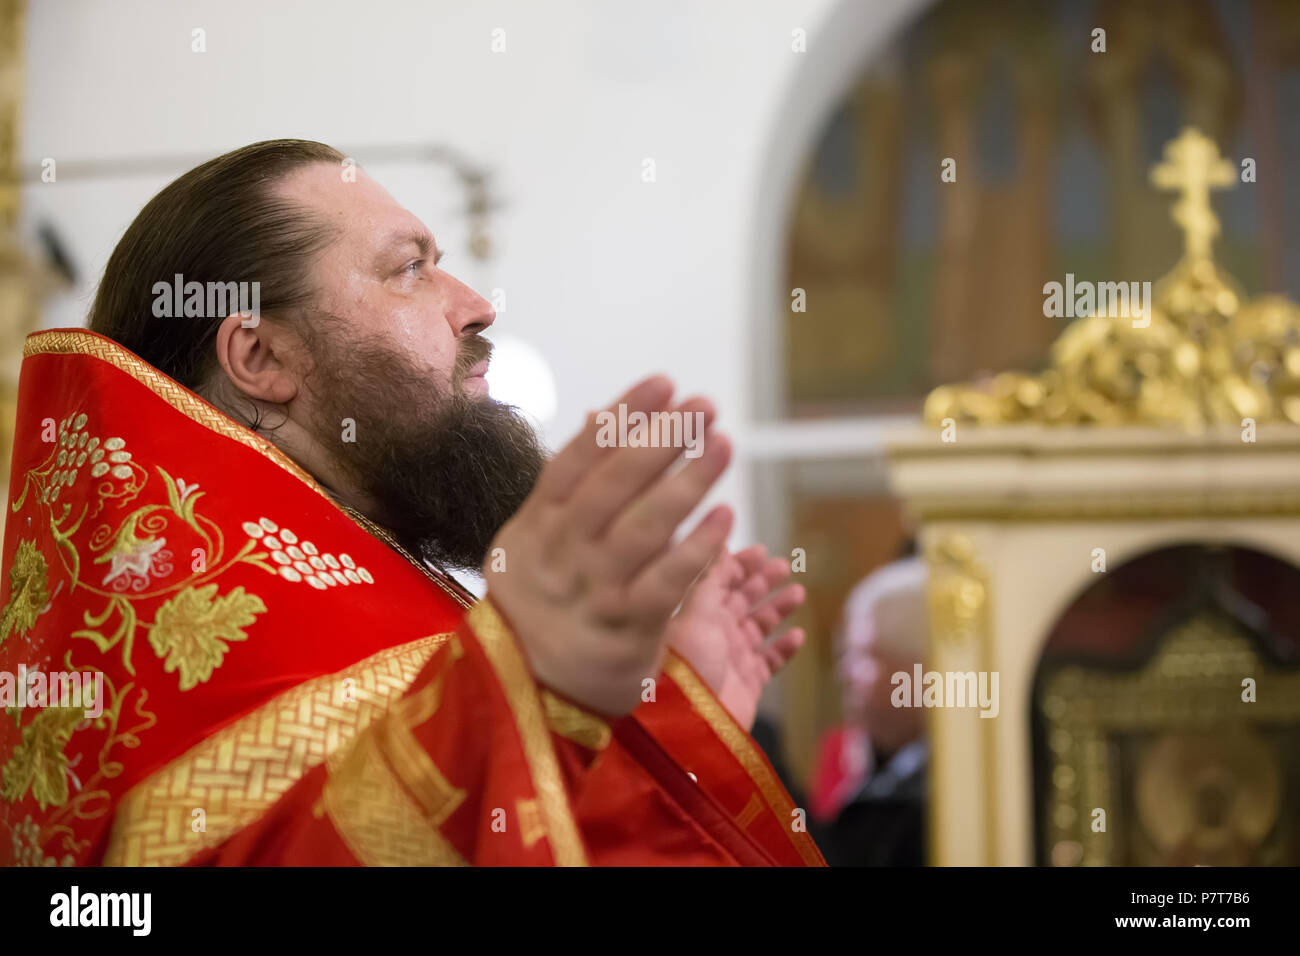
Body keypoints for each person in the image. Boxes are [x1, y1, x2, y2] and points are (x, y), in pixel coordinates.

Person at [0, 140, 822, 867]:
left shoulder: (369, 584)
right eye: (409, 269)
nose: (475, 303)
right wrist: (528, 676)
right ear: (260, 354)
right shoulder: (219, 657)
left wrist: (658, 719)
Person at [810, 557, 928, 866]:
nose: (845, 675)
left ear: (921, 671)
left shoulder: (935, 802)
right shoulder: (881, 768)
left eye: (862, 656)